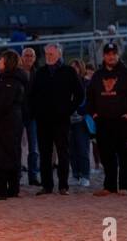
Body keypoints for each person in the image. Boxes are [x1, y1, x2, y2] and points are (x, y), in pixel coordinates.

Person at [86, 43, 127, 196]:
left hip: (123, 122)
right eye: (108, 54)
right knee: (106, 155)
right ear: (104, 56)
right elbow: (90, 97)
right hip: (103, 122)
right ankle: (109, 186)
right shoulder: (97, 76)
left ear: (118, 55)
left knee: (126, 156)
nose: (111, 56)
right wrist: (94, 114)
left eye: (114, 53)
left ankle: (126, 187)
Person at [31, 43, 84, 196]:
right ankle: (47, 185)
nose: (48, 57)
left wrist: (69, 109)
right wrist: (36, 111)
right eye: (47, 54)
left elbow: (79, 94)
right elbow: (32, 95)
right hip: (43, 120)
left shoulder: (68, 72)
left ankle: (63, 185)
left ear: (59, 55)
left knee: (63, 153)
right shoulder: (41, 72)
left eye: (51, 54)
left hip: (61, 119)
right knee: (45, 153)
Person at [0, 50, 27, 200]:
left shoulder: (10, 81)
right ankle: (12, 189)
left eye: (1, 60)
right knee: (10, 154)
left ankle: (3, 190)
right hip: (11, 122)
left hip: (5, 123)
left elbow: (3, 104)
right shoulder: (9, 79)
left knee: (3, 155)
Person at [68, 59, 93, 188]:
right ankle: (75, 174)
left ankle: (85, 175)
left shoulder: (87, 83)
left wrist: (82, 112)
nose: (74, 69)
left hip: (82, 120)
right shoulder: (66, 84)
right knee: (71, 150)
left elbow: (91, 101)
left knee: (83, 149)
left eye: (76, 67)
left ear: (81, 69)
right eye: (72, 67)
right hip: (69, 120)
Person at [18, 47, 40, 187]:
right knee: (17, 147)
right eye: (26, 55)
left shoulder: (37, 74)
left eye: (31, 56)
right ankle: (17, 175)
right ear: (22, 57)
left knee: (33, 148)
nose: (28, 58)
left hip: (32, 115)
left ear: (35, 58)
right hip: (18, 114)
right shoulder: (17, 74)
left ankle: (33, 176)